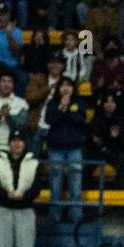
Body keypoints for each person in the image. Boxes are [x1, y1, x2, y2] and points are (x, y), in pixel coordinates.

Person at [0, 129, 39, 247]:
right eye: (13, 140)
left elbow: (37, 188)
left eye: (19, 140)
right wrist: (6, 195)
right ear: (8, 143)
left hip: (25, 209)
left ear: (24, 143)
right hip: (3, 209)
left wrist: (24, 196)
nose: (16, 143)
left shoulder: (33, 162)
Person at [44, 77, 88, 222]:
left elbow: (80, 119)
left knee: (75, 184)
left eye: (68, 85)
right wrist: (60, 109)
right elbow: (49, 120)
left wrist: (66, 109)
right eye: (62, 85)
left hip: (74, 148)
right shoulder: (52, 103)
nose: (65, 88)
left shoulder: (79, 102)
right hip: (55, 149)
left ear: (73, 88)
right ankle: (55, 217)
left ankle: (76, 217)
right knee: (55, 184)